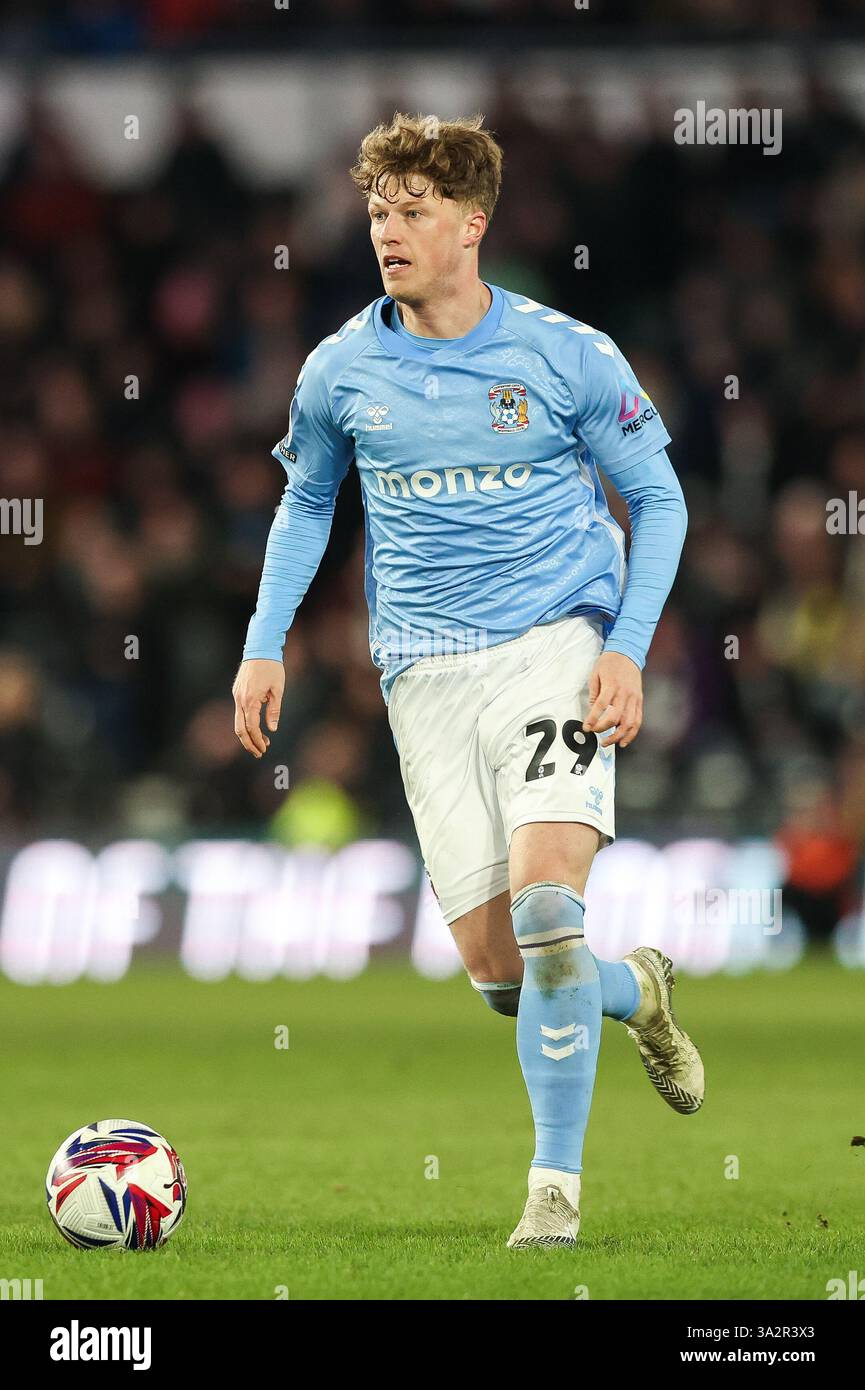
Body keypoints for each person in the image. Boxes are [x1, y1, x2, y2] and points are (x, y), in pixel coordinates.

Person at [233, 112, 704, 1248]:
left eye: (414, 211)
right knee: (505, 976)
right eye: (378, 213)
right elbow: (306, 501)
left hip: (553, 641)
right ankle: (635, 990)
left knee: (548, 912)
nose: (389, 232)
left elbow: (662, 499)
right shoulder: (341, 367)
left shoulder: (565, 353)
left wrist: (624, 649)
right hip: (423, 676)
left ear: (471, 224)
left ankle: (552, 1193)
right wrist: (264, 639)